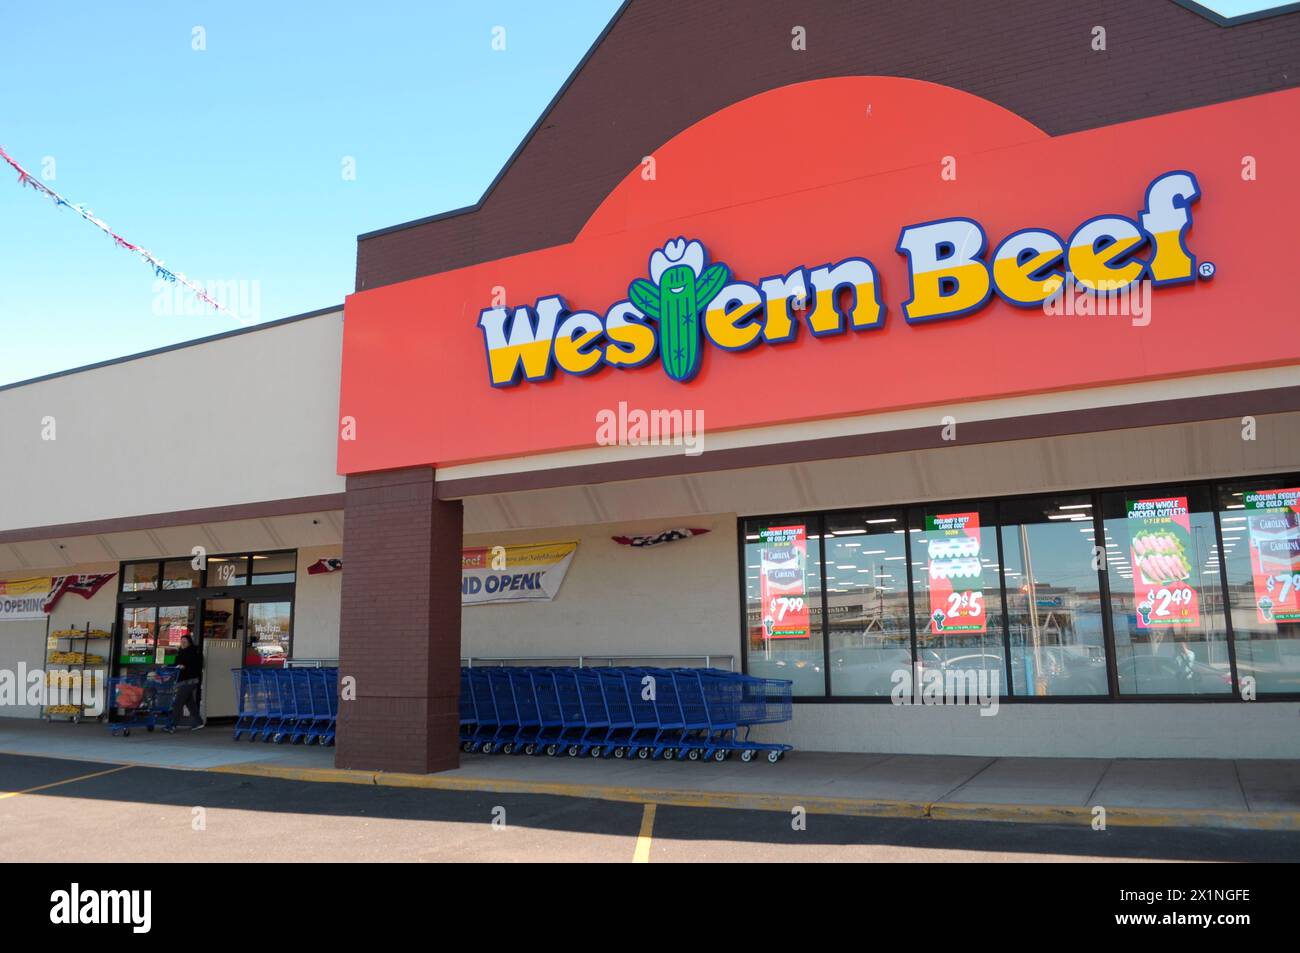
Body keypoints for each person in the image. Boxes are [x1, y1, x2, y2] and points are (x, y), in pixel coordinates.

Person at [171, 635, 204, 731]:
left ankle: (173, 725)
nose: (183, 642)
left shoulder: (194, 652)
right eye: (181, 641)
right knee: (190, 703)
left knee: (178, 702)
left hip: (190, 680)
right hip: (182, 681)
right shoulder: (180, 652)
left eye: (185, 641)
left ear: (189, 642)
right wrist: (168, 666)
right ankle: (199, 722)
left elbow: (196, 666)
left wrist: (185, 667)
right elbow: (176, 663)